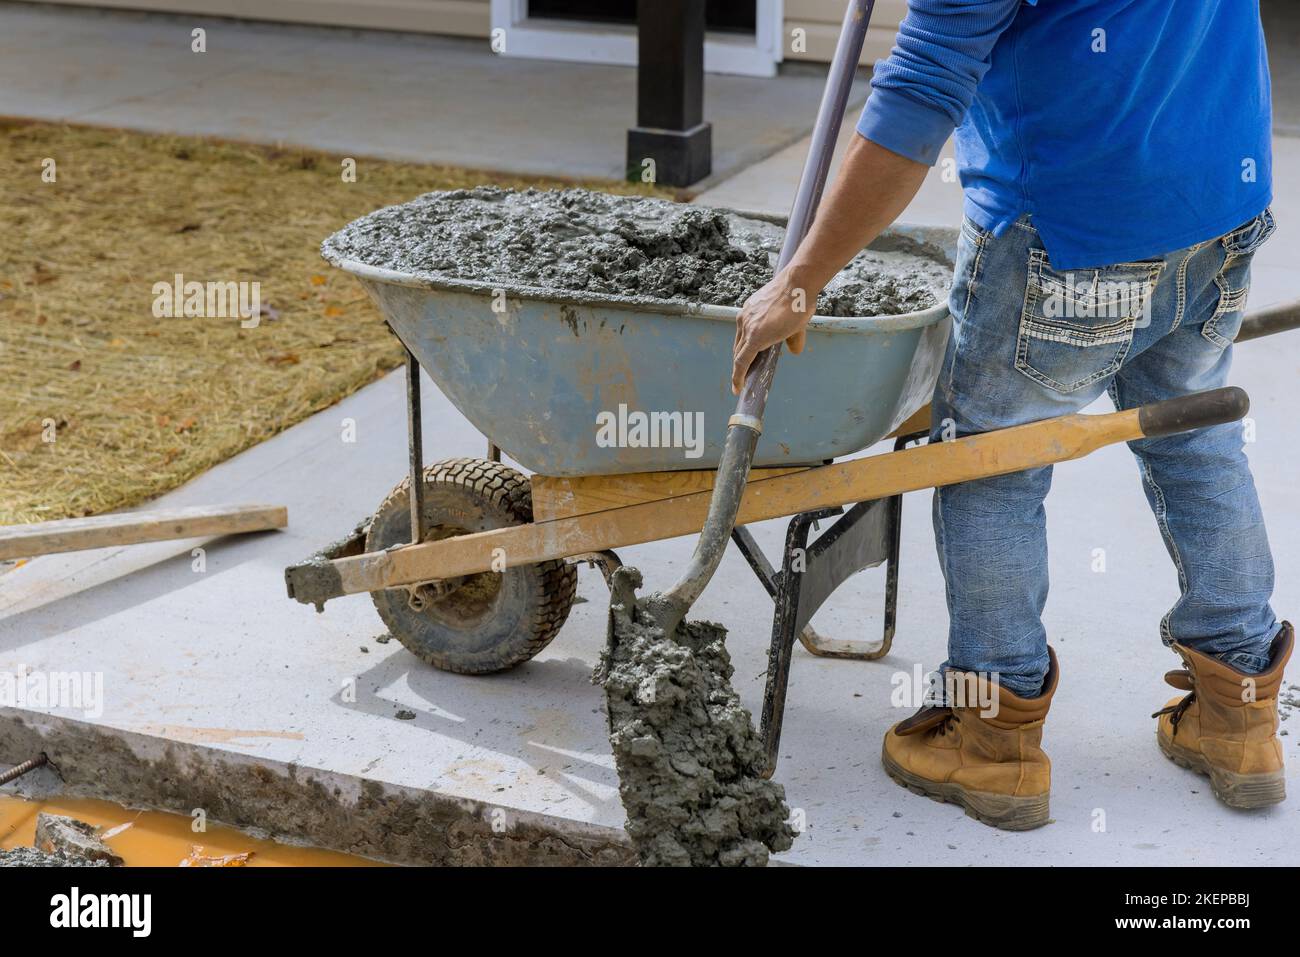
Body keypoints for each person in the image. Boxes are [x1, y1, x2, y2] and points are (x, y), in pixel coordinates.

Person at [731, 0, 1291, 830]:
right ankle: (1239, 716)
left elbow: (921, 90)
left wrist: (801, 277)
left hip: (1067, 227)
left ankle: (995, 742)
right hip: (1216, 203)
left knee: (991, 462)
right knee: (1195, 437)